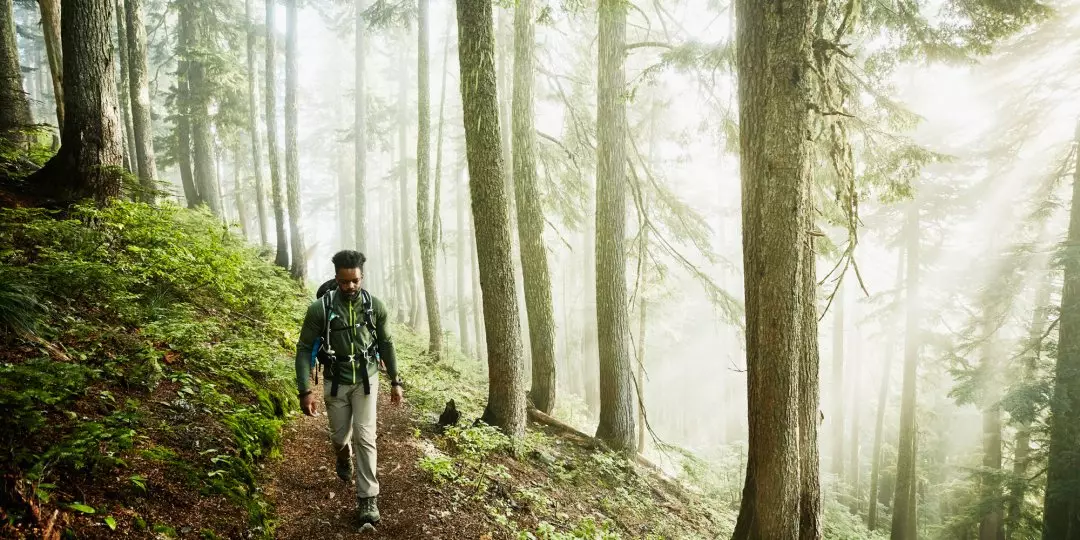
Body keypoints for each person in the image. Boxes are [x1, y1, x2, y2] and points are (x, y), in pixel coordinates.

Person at [294, 250, 403, 525]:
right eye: (344, 282)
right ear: (336, 278)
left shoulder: (375, 306)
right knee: (339, 437)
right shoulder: (320, 308)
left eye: (355, 281)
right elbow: (304, 348)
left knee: (366, 437)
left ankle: (368, 499)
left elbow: (387, 344)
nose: (350, 287)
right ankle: (343, 457)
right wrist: (304, 390)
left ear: (361, 277)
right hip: (335, 382)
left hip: (367, 380)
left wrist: (395, 381)